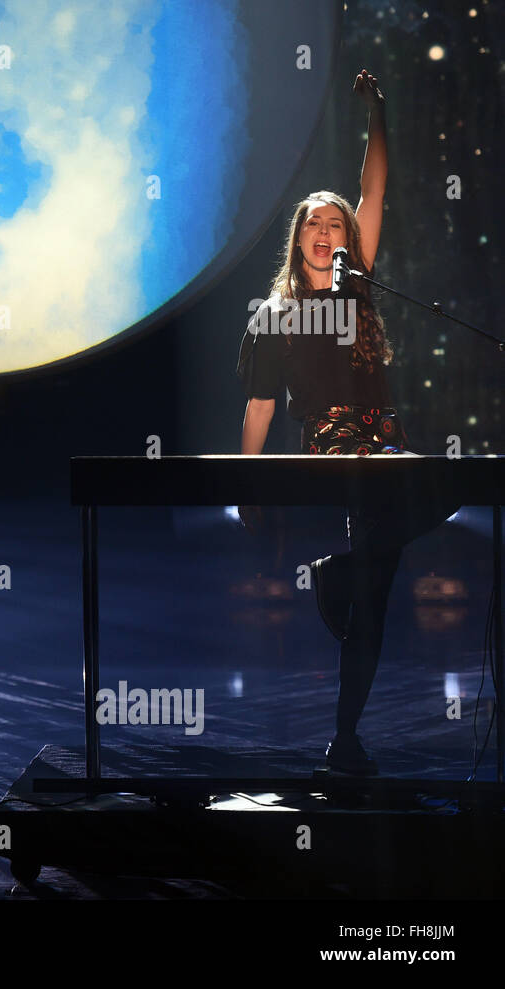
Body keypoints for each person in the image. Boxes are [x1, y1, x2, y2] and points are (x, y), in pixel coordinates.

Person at [234, 72, 458, 775]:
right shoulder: (274, 316)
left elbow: (376, 186)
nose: (327, 229)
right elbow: (261, 403)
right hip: (332, 446)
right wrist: (247, 478)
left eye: (337, 222)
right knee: (372, 593)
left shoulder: (358, 281)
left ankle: (345, 732)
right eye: (315, 222)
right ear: (298, 240)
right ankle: (344, 730)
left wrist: (380, 113)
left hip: (386, 440)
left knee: (385, 582)